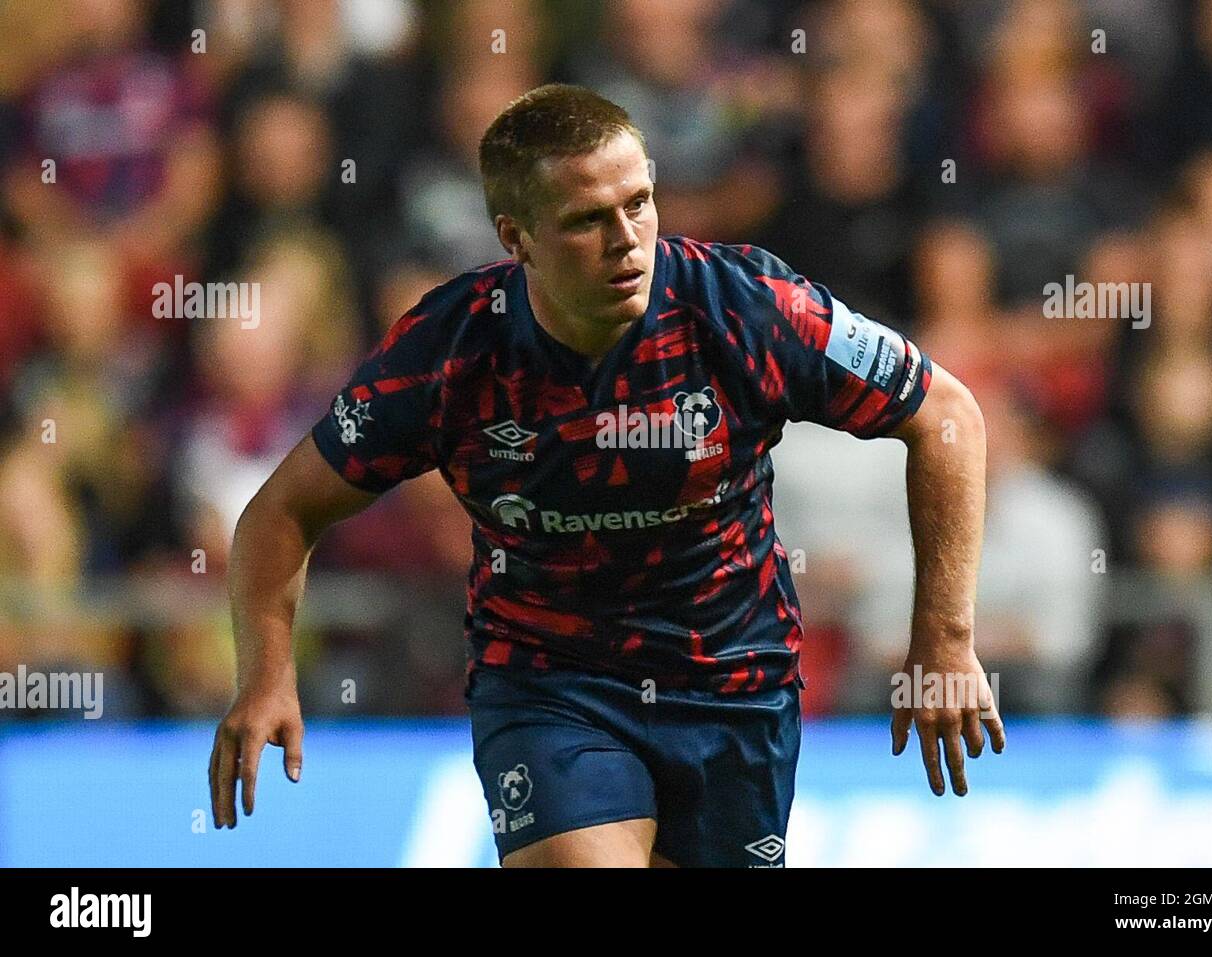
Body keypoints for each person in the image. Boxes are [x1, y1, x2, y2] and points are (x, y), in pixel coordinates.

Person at [208, 83, 1003, 867]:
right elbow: (280, 512)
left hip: (732, 683)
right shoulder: (450, 352)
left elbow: (947, 415)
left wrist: (943, 639)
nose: (627, 238)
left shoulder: (747, 308)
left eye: (639, 202)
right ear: (514, 236)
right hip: (550, 683)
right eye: (587, 219)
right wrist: (265, 676)